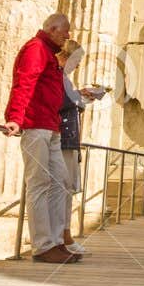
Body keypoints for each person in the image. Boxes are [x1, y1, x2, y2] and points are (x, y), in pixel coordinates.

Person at [5, 14, 78, 265]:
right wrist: (15, 117)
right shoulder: (36, 48)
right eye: (65, 31)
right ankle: (42, 245)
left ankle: (57, 241)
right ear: (52, 29)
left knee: (61, 182)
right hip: (35, 125)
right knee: (38, 183)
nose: (68, 36)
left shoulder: (49, 53)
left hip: (51, 126)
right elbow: (24, 82)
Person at [56, 40, 105, 254]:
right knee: (61, 188)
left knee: (66, 188)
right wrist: (79, 95)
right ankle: (62, 237)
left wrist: (81, 97)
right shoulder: (56, 75)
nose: (78, 65)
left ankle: (65, 236)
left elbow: (66, 103)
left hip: (69, 136)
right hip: (62, 137)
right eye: (76, 60)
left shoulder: (64, 78)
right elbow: (58, 103)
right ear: (65, 57)